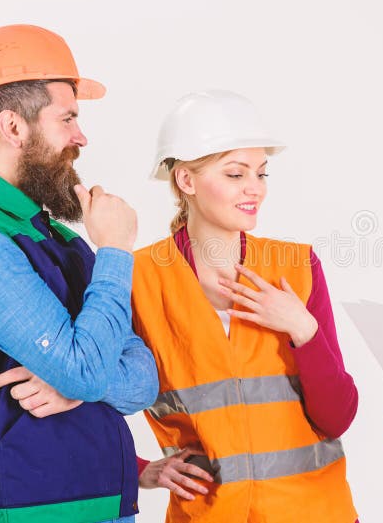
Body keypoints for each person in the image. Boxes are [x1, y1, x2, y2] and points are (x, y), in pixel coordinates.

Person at [0, 24, 158, 523]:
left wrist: (74, 380)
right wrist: (114, 250)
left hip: (107, 503)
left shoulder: (58, 239)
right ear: (13, 127)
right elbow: (87, 368)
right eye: (67, 118)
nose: (81, 136)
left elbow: (143, 383)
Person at [131, 89, 359, 522]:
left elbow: (338, 417)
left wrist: (302, 330)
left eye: (261, 173)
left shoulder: (297, 265)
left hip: (316, 512)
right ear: (186, 180)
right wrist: (140, 472)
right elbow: (93, 386)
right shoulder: (138, 278)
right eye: (236, 174)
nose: (255, 189)